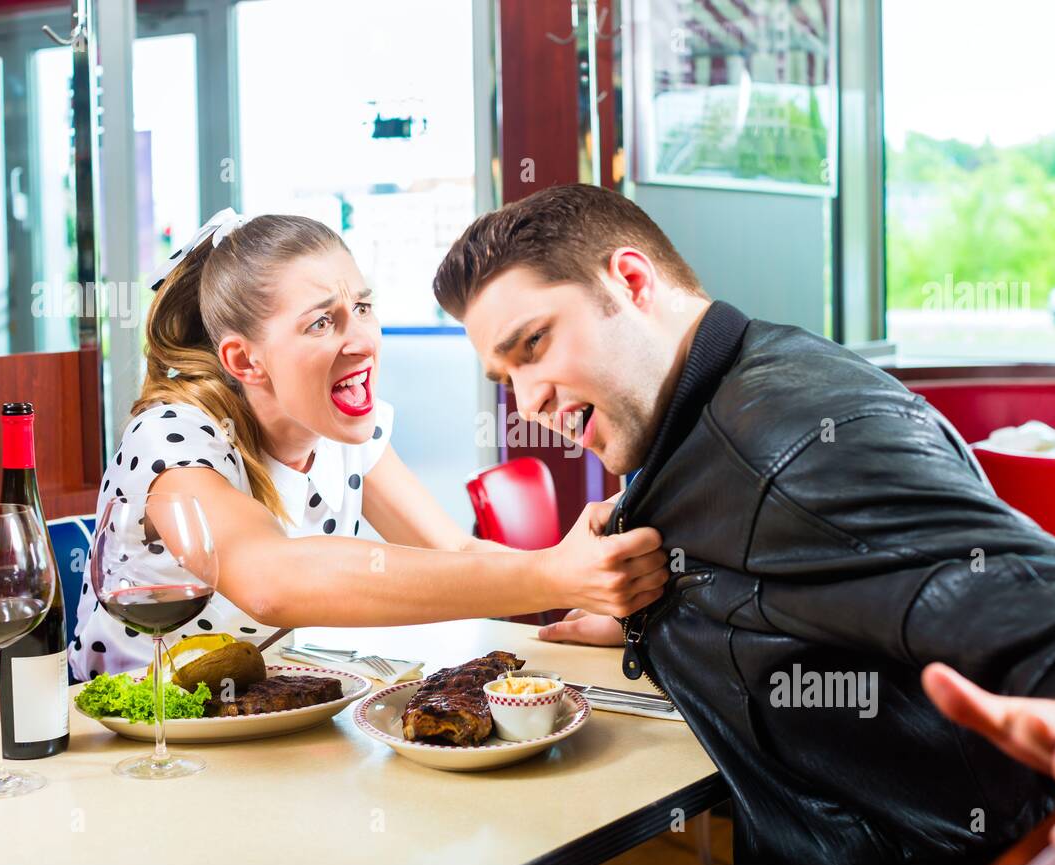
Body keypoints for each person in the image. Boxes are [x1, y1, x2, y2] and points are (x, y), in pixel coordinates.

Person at [433, 183, 1055, 865]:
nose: (526, 402)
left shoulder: (801, 444)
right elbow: (792, 580)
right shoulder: (705, 398)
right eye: (506, 379)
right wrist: (657, 614)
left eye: (533, 345)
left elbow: (1052, 605)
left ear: (630, 281)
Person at [69, 209, 668, 679]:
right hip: (138, 743)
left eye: (362, 307)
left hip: (261, 720)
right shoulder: (175, 436)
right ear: (244, 359)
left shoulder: (346, 433)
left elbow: (454, 552)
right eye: (321, 322)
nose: (362, 341)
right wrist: (553, 576)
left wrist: (593, 587)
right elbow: (272, 581)